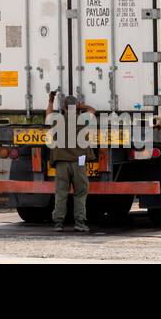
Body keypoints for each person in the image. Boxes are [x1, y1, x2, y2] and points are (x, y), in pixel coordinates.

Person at [47, 90, 95, 233]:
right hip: (78, 163)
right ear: (76, 108)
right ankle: (79, 223)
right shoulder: (84, 120)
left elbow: (48, 114)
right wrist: (81, 106)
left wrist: (50, 100)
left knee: (61, 193)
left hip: (61, 162)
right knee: (80, 193)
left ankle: (58, 224)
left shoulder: (57, 120)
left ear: (63, 108)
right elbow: (93, 110)